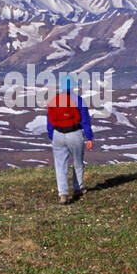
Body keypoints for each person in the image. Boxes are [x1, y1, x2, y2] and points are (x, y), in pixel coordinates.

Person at [46, 74, 93, 204]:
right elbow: (85, 121)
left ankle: (63, 194)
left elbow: (49, 122)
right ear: (73, 87)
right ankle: (77, 189)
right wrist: (89, 137)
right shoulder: (78, 100)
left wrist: (53, 137)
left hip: (57, 134)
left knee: (60, 165)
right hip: (75, 134)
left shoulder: (53, 101)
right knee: (78, 161)